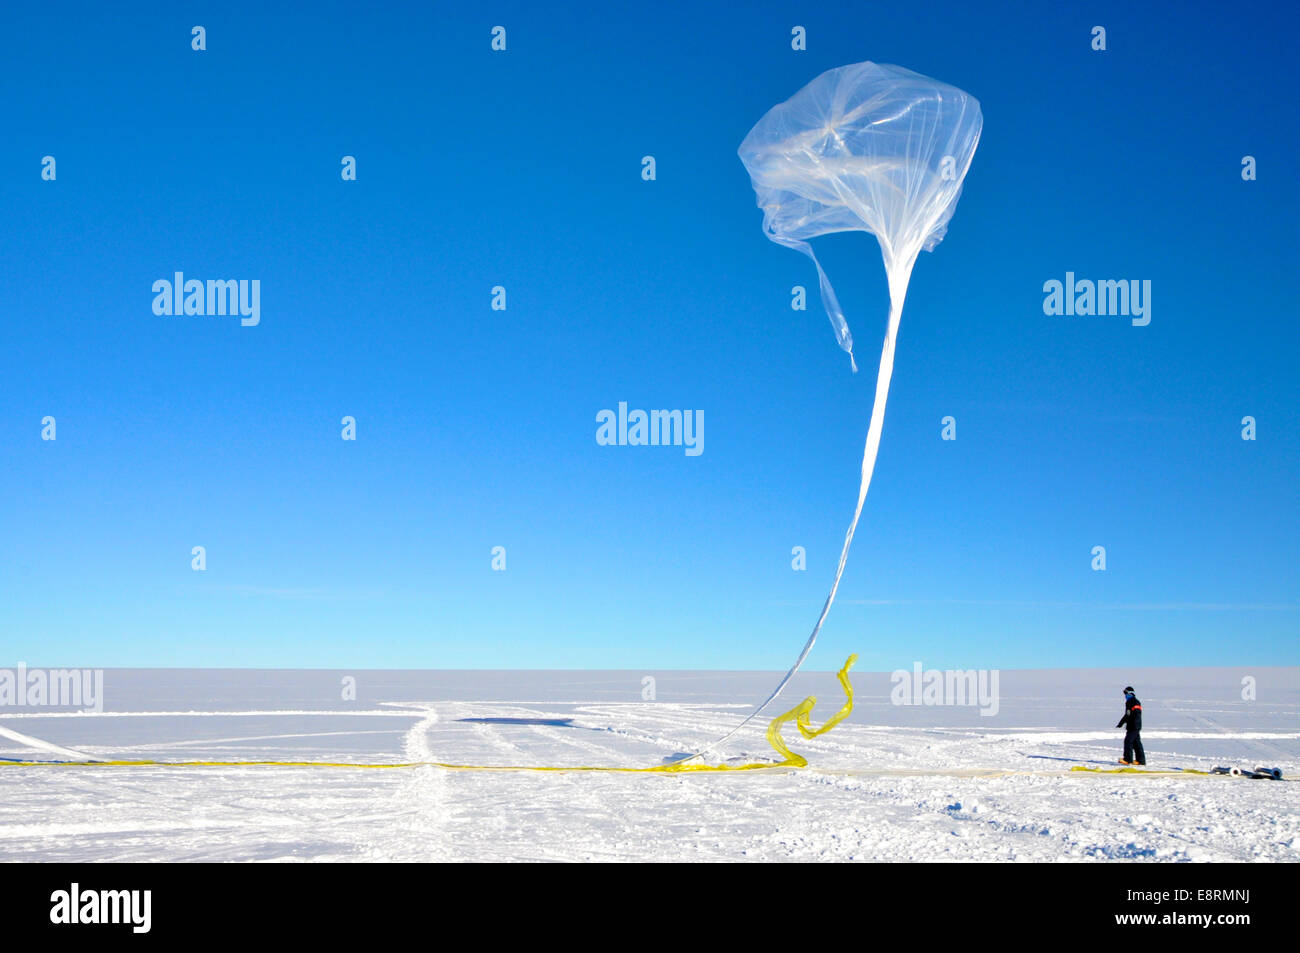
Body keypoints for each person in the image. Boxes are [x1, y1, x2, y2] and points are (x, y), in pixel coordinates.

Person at [1116, 686, 1145, 765]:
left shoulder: (1130, 702)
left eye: (1126, 693)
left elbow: (1128, 715)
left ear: (1130, 693)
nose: (1125, 695)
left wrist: (1121, 723)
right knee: (1136, 743)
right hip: (1137, 725)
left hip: (1133, 725)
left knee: (1128, 741)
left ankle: (1127, 759)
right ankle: (1141, 760)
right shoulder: (1136, 701)